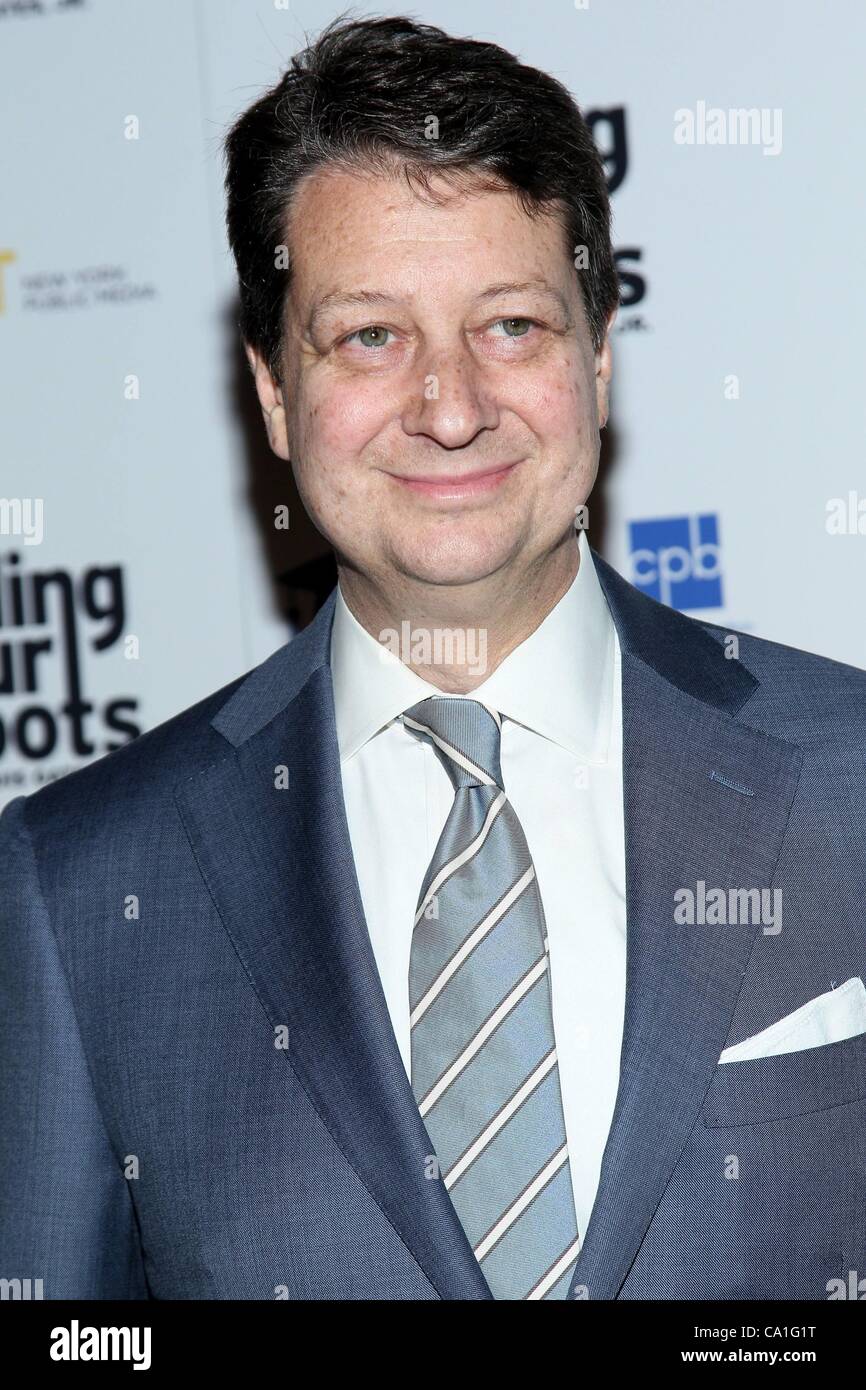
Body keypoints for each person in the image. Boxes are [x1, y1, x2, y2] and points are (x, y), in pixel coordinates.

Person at [2, 14, 865, 1302]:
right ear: (274, 394)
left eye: (511, 326)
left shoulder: (848, 782)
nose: (451, 406)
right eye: (369, 336)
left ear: (598, 358)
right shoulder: (81, 894)